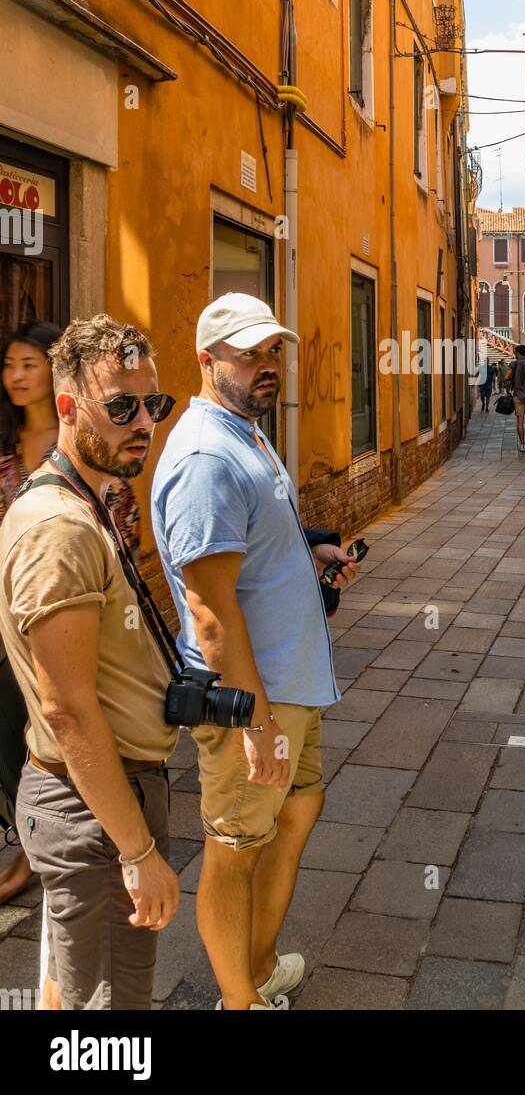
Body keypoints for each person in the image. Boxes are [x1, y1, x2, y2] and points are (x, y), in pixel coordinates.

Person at [151, 294, 361, 1011]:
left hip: (292, 683)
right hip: (255, 696)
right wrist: (258, 723)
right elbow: (210, 609)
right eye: (249, 354)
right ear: (207, 362)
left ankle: (261, 962)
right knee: (234, 849)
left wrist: (311, 549)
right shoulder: (207, 455)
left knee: (300, 809)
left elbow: (251, 549)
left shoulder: (243, 429)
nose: (267, 366)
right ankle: (238, 1003)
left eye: (273, 351)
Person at [0, 315, 180, 1010]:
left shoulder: (91, 498)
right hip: (90, 811)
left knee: (84, 991)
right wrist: (137, 854)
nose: (144, 422)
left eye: (153, 405)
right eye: (122, 407)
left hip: (110, 797)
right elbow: (67, 707)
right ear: (70, 408)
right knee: (102, 1008)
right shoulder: (59, 529)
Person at [0, 322, 142, 923]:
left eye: (28, 362)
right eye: (10, 363)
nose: (15, 374)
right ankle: (36, 830)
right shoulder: (8, 452)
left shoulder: (103, 480)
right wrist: (142, 853)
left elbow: (124, 560)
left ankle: (35, 837)